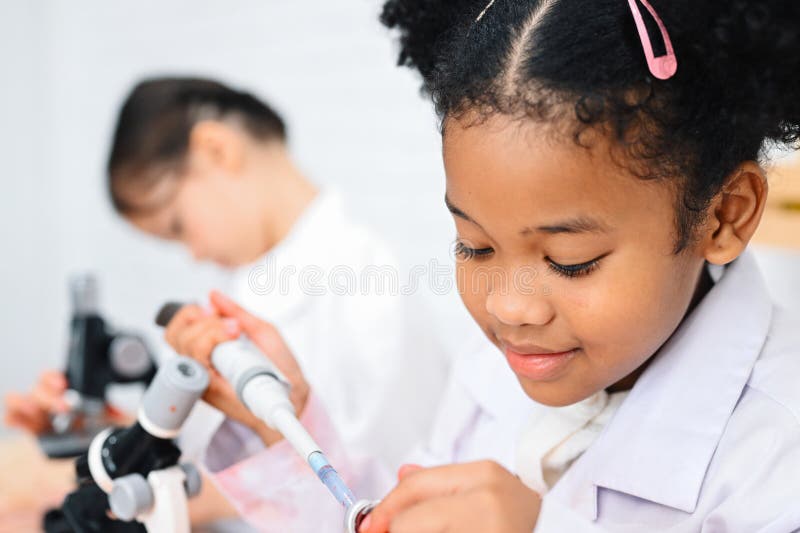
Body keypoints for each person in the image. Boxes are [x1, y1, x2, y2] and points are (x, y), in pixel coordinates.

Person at [163, 1, 800, 531]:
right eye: (475, 246)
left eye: (569, 260)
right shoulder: (497, 368)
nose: (507, 304)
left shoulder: (776, 455)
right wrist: (287, 425)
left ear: (723, 217)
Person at [3, 76, 458, 527]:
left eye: (178, 226)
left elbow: (383, 486)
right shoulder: (252, 290)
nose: (193, 253)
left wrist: (85, 479)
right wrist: (113, 437)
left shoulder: (367, 287)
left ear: (217, 150)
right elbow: (212, 446)